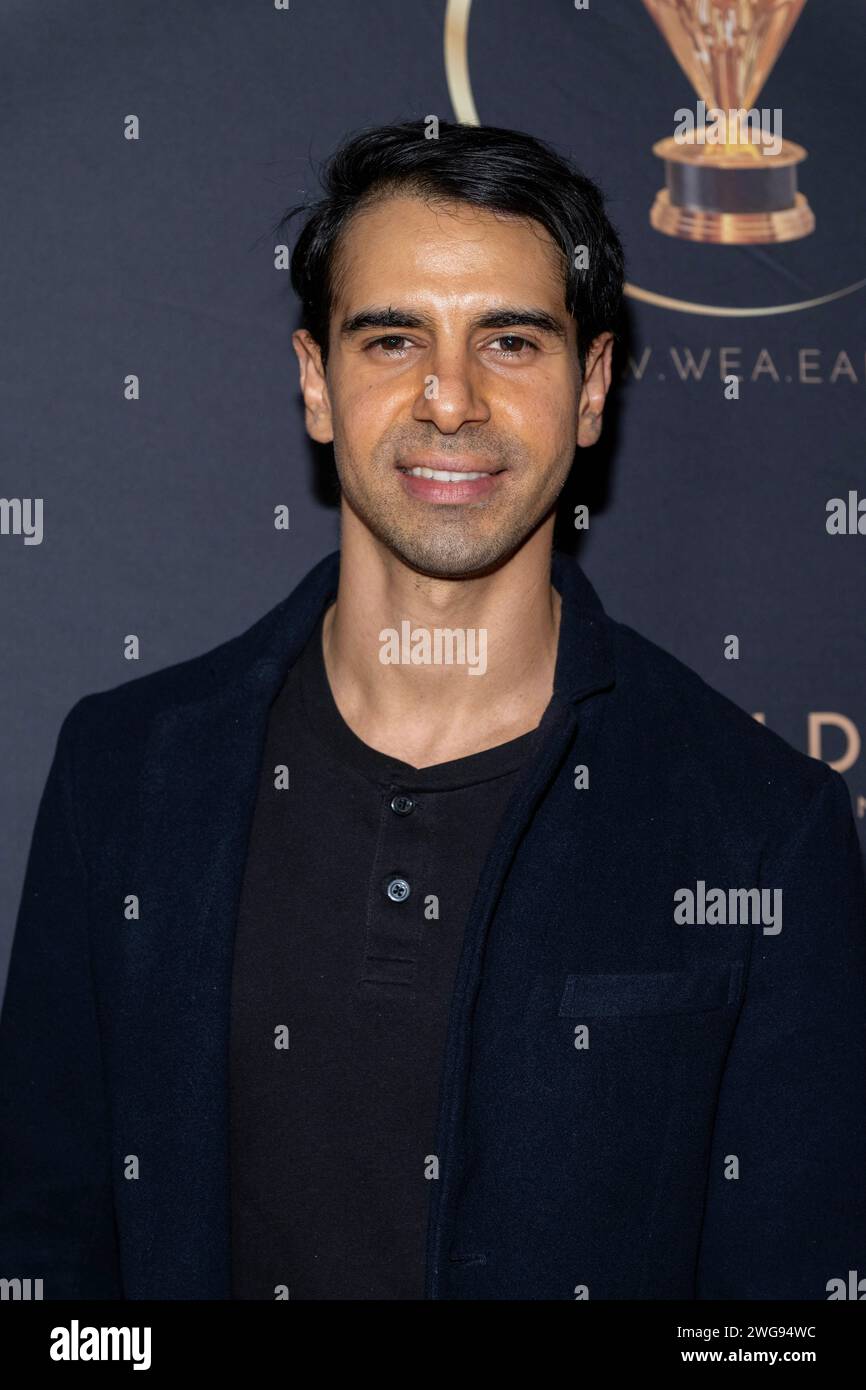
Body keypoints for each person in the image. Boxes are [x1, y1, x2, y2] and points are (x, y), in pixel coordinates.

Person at [1, 120, 864, 1301]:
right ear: (316, 382)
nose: (448, 399)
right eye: (393, 337)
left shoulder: (761, 827)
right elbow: (45, 1256)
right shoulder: (125, 770)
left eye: (509, 341)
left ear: (591, 388)